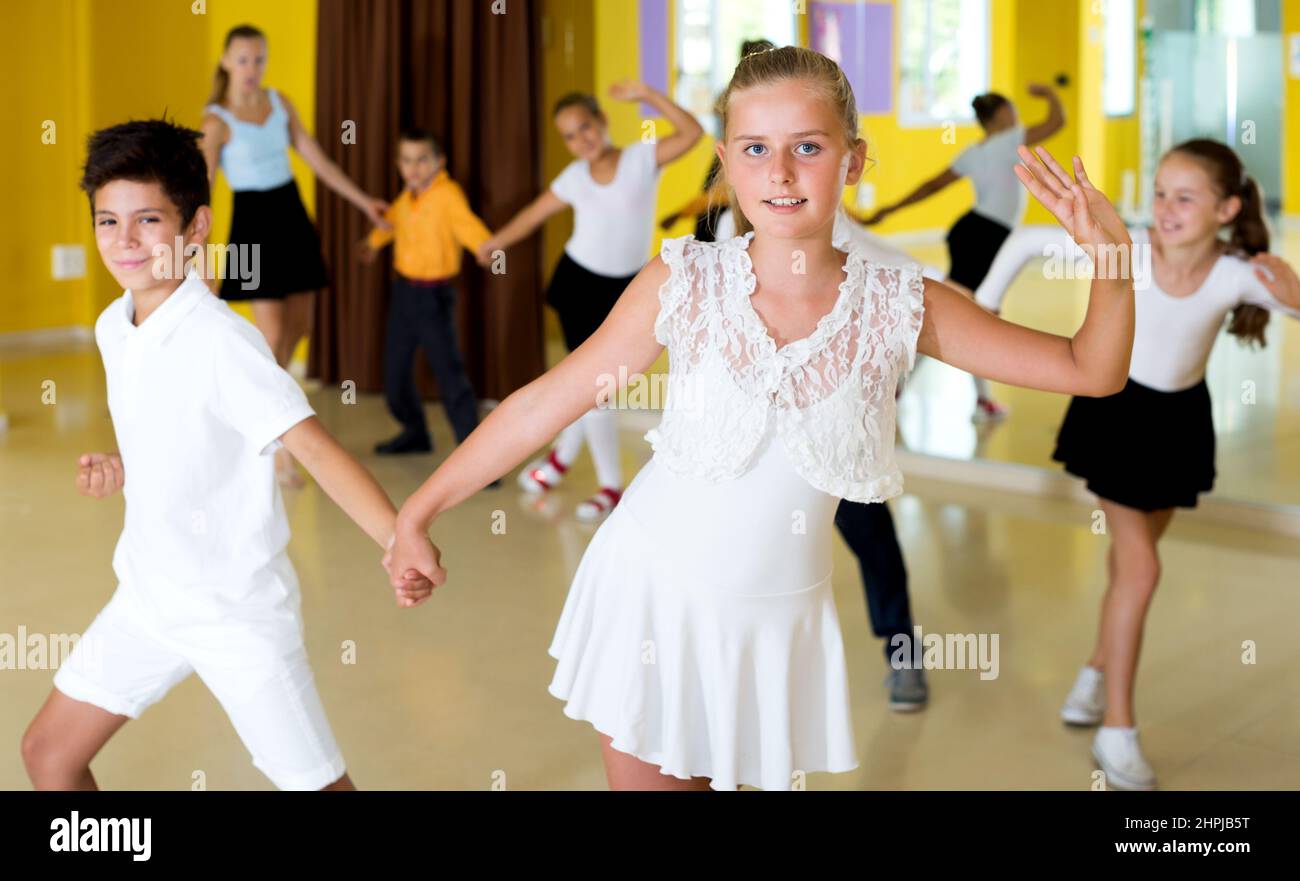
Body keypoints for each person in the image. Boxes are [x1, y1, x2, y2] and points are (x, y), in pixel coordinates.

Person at [390, 46, 1133, 791]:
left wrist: (1112, 260)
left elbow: (1089, 369)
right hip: (654, 596)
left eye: (807, 147)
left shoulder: (901, 303)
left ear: (854, 160)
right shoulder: (682, 281)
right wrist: (419, 510)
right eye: (755, 149)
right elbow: (542, 402)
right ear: (726, 161)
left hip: (773, 629)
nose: (779, 173)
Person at [20, 119, 432, 792]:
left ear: (197, 226)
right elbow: (175, 432)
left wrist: (398, 536)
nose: (124, 240)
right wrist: (124, 468)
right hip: (148, 596)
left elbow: (316, 451)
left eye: (148, 219)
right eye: (107, 220)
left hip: (235, 612)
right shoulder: (113, 325)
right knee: (47, 753)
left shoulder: (222, 343)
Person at [973, 139, 1300, 790]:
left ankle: (1095, 673)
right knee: (1143, 566)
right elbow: (1023, 244)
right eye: (1159, 193)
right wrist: (983, 304)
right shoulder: (1125, 256)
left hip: (1178, 426)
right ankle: (1116, 726)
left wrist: (1292, 289)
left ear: (1227, 209)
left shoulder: (1236, 273)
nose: (1165, 208)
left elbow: (1289, 302)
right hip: (1118, 415)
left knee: (1131, 566)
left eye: (1185, 197)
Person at [476, 82, 703, 521]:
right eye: (570, 136)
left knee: (593, 385)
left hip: (624, 291)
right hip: (579, 285)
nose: (582, 139)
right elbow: (532, 215)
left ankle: (561, 457)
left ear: (602, 122)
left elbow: (692, 132)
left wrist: (648, 94)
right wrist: (494, 243)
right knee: (593, 388)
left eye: (586, 127)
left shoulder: (641, 158)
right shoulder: (574, 178)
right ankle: (610, 486)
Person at [200, 23, 390, 485]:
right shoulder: (215, 121)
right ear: (226, 61)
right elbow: (202, 190)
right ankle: (277, 444)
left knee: (299, 329)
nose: (251, 69)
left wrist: (365, 202)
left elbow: (317, 158)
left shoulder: (280, 102)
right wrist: (197, 256)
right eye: (242, 59)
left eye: (259, 59)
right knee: (271, 338)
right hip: (252, 223)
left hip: (291, 215)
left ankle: (261, 420)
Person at [860, 84, 1066, 420]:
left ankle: (905, 385)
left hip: (971, 233)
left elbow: (931, 185)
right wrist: (1049, 94)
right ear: (1001, 115)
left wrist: (888, 210)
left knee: (969, 312)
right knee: (975, 314)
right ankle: (962, 396)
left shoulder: (974, 152)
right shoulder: (1010, 138)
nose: (1015, 116)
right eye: (1011, 109)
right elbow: (1057, 122)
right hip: (983, 237)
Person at [361, 128, 494, 460]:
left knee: (449, 374)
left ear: (439, 162)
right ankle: (414, 432)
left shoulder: (448, 195)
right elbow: (391, 222)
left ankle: (475, 455)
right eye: (406, 160)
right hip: (403, 294)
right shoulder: (407, 197)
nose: (414, 167)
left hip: (434, 298)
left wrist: (484, 247)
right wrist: (372, 244)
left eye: (422, 159)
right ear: (398, 164)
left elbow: (467, 225)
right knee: (394, 373)